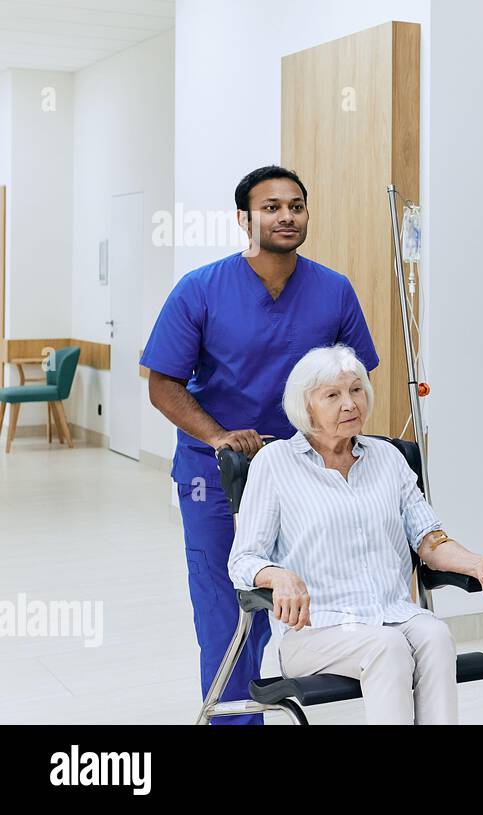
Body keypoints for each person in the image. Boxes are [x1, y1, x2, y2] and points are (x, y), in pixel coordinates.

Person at [141, 165, 380, 724]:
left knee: (290, 599)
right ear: (244, 219)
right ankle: (233, 721)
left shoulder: (333, 289)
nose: (286, 216)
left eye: (296, 206)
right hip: (217, 475)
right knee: (227, 609)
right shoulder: (201, 289)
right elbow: (162, 383)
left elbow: (356, 376)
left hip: (304, 473)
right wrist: (218, 435)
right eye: (271, 207)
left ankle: (280, 695)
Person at [228, 344, 483, 725]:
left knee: (435, 635)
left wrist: (476, 563)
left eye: (356, 390)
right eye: (333, 395)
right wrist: (278, 576)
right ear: (305, 406)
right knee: (388, 645)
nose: (350, 404)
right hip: (317, 630)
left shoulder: (387, 458)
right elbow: (243, 559)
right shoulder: (274, 464)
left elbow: (428, 538)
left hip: (392, 614)